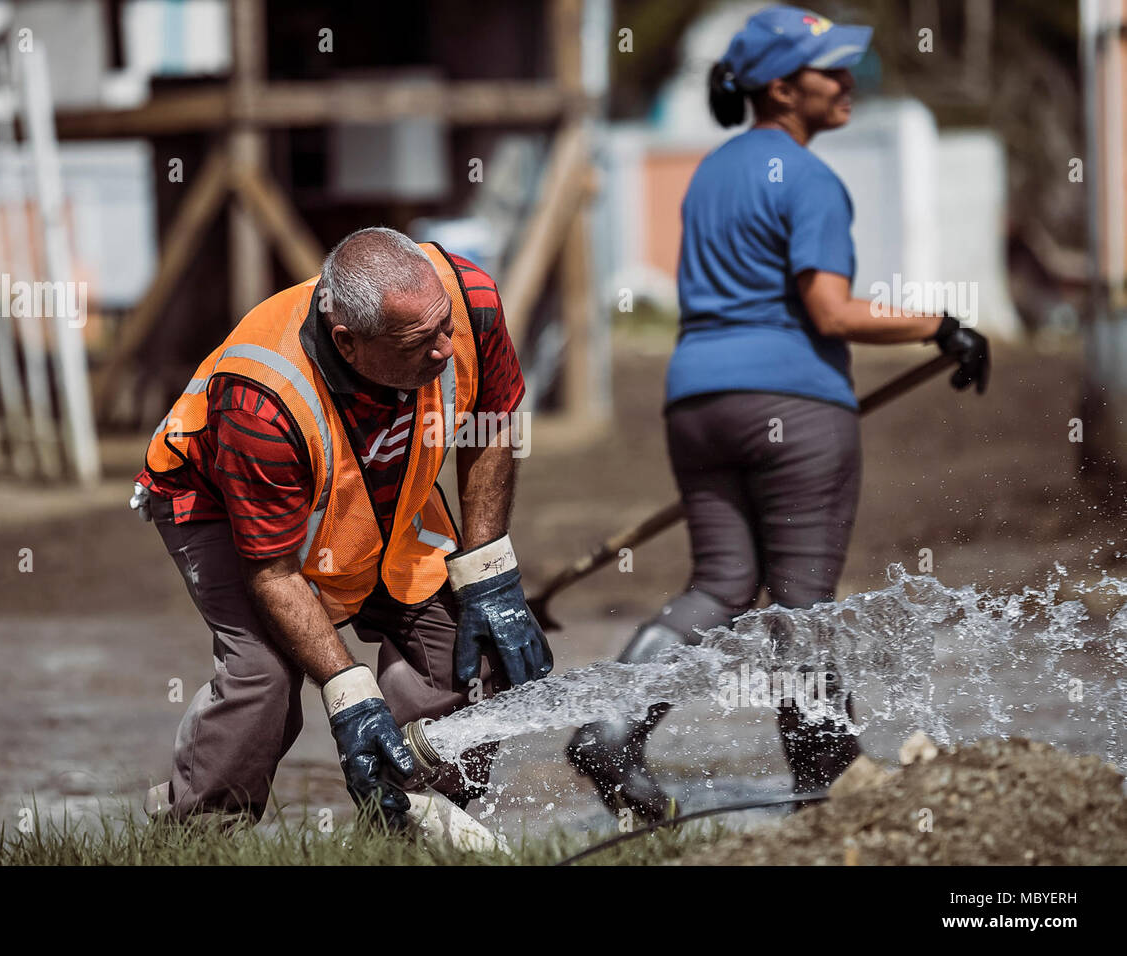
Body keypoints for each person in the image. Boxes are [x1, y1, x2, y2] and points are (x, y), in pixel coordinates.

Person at [566, 5, 989, 821]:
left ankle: (612, 725)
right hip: (793, 406)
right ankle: (825, 786)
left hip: (695, 401)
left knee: (722, 581)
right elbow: (829, 312)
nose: (847, 83)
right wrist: (941, 326)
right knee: (803, 598)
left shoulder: (713, 173)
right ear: (781, 87)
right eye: (831, 71)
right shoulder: (810, 179)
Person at [134, 227, 551, 829]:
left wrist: (488, 574)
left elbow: (492, 420)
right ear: (348, 343)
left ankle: (410, 821)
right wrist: (348, 694)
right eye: (418, 343)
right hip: (223, 500)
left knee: (461, 646)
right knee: (266, 678)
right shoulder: (260, 400)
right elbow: (274, 570)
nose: (443, 350)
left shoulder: (469, 301)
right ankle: (198, 829)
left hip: (377, 471)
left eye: (444, 329)